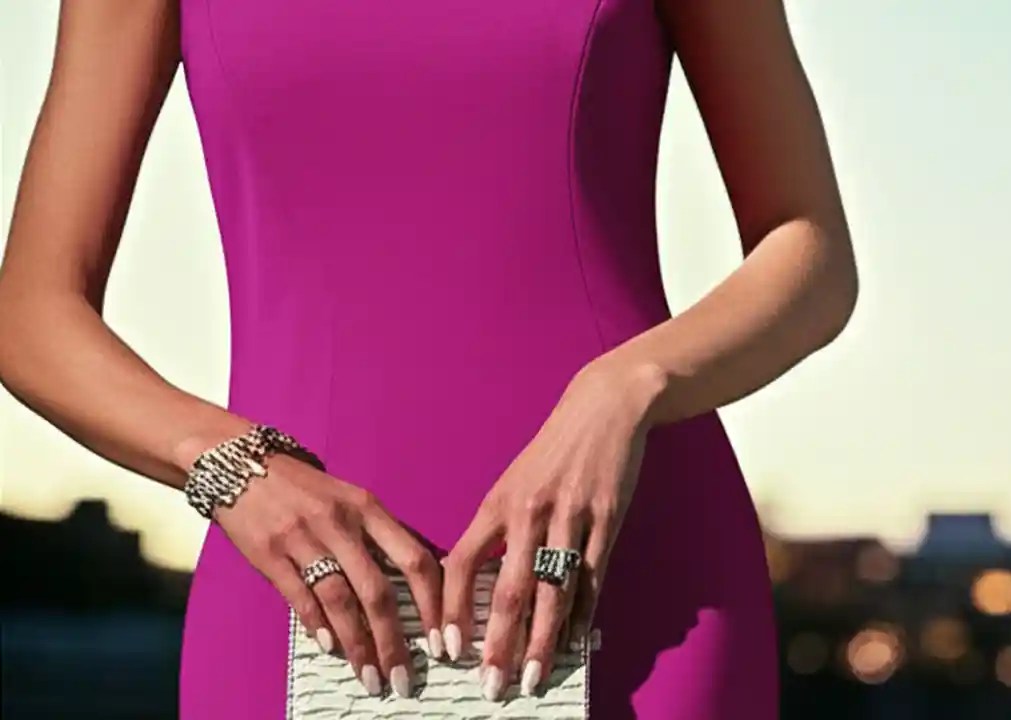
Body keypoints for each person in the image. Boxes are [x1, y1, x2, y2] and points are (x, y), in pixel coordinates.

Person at [0, 0, 857, 717]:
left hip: (629, 565)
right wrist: (231, 468)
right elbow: (32, 313)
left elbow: (810, 251)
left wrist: (622, 388)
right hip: (306, 589)